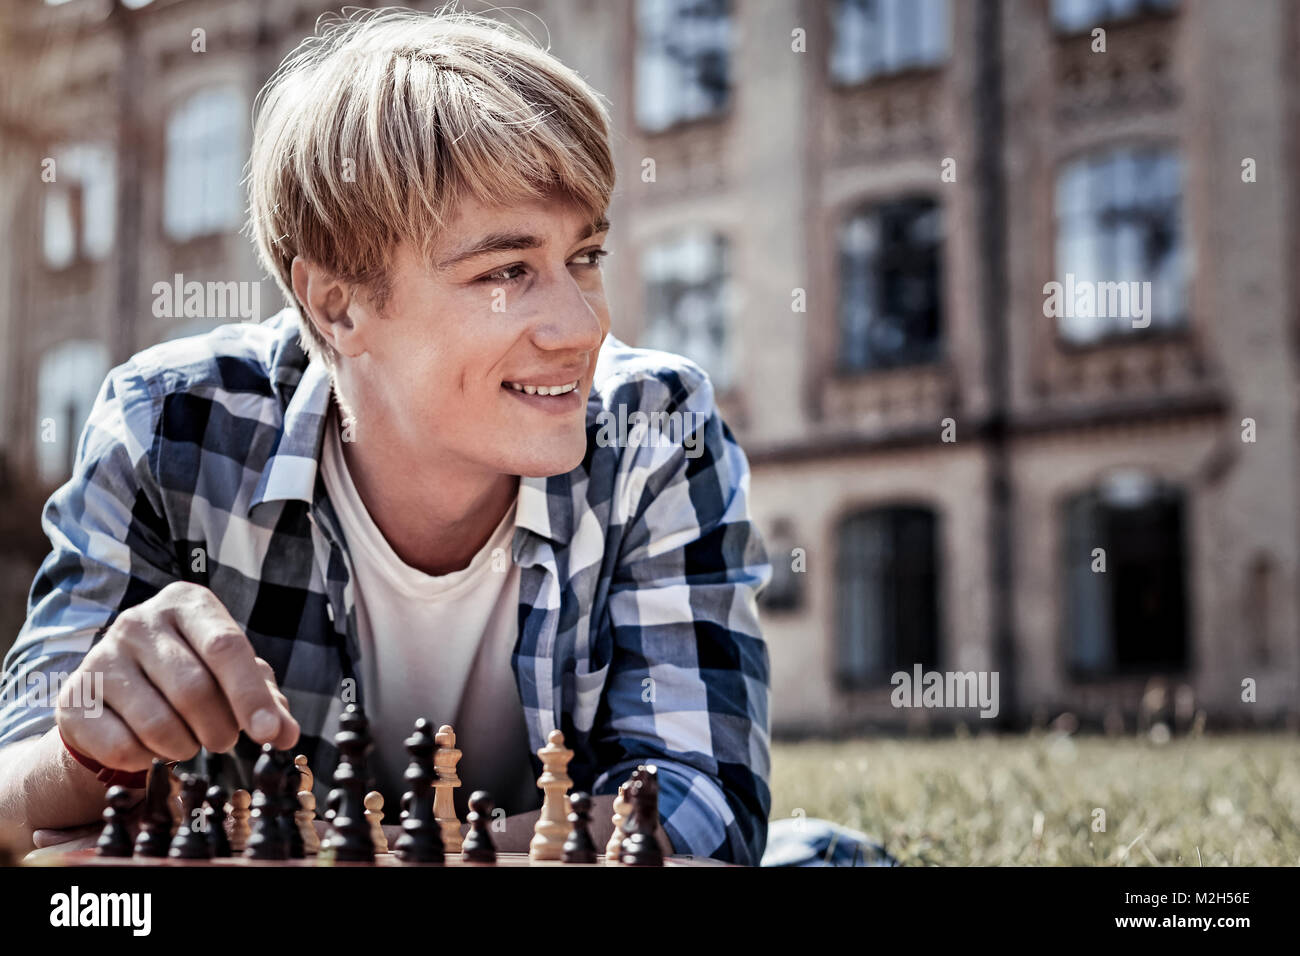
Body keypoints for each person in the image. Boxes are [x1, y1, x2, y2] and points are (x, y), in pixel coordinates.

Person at [0, 8, 771, 865]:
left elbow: (704, 806)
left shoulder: (657, 432)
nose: (581, 325)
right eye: (506, 272)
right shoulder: (168, 430)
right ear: (338, 304)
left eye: (583, 257)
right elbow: (10, 800)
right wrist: (83, 747)